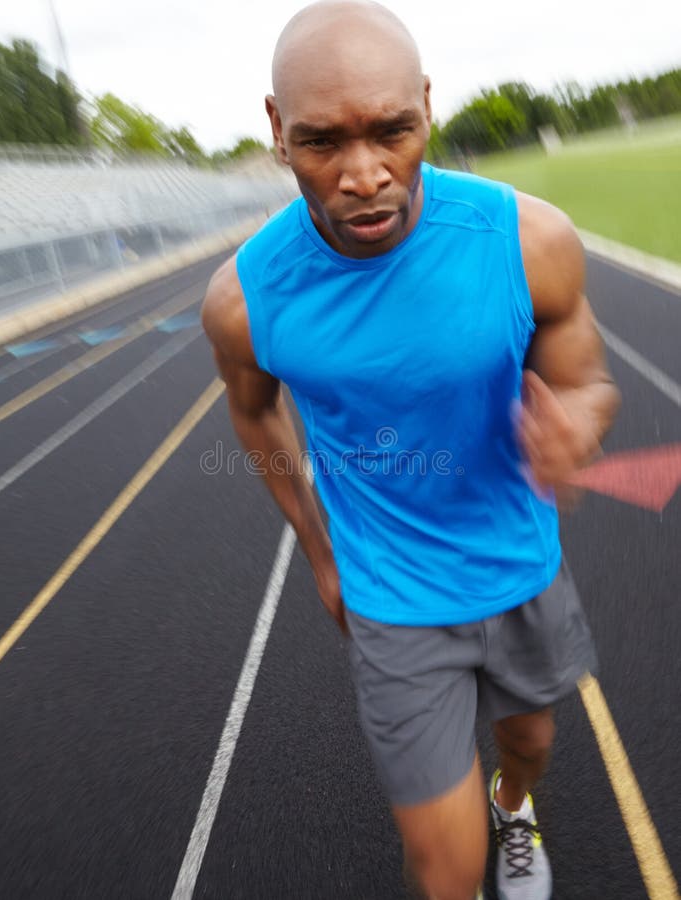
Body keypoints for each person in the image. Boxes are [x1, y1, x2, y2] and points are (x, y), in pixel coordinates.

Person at [201, 2, 621, 898]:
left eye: (392, 131)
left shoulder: (528, 240)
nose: (363, 176)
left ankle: (516, 809)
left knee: (530, 745)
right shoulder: (245, 300)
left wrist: (576, 425)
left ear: (426, 105)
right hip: (389, 597)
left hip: (521, 565)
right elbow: (252, 414)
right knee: (442, 870)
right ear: (276, 131)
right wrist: (319, 549)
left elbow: (589, 383)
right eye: (320, 143)